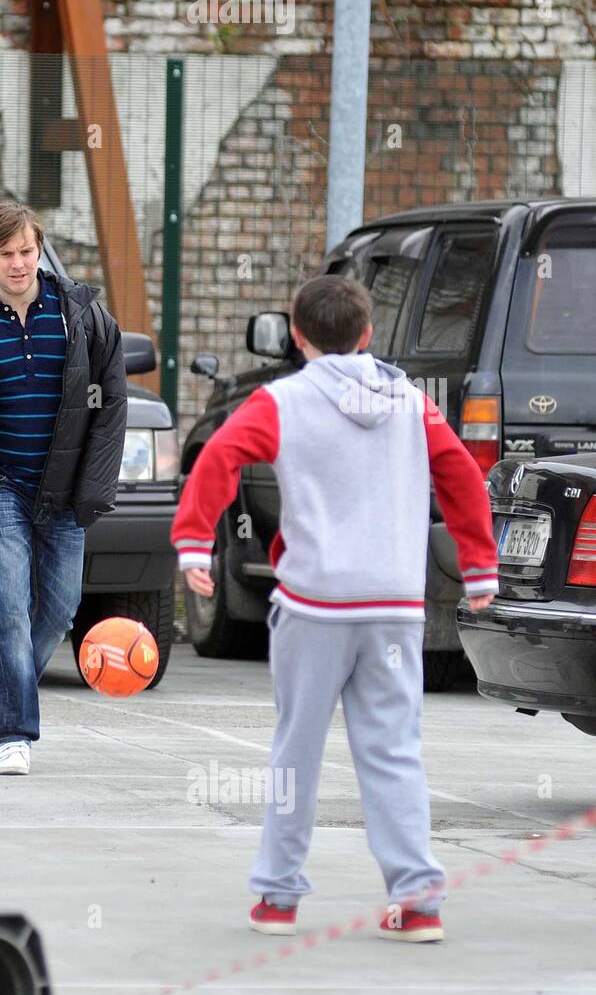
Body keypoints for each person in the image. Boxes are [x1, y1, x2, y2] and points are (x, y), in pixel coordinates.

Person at [172, 274, 498, 942]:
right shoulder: (412, 402)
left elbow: (220, 458)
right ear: (368, 334)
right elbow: (462, 474)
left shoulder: (281, 401)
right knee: (393, 751)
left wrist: (194, 544)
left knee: (297, 749)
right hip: (395, 605)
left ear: (296, 336)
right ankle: (417, 901)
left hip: (314, 602)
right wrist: (479, 566)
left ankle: (278, 899)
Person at [0, 201, 127, 776]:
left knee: (59, 612)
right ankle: (13, 732)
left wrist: (96, 485)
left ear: (40, 249)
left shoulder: (81, 317)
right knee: (7, 606)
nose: (18, 263)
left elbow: (112, 401)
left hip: (64, 488)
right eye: (6, 253)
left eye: (27, 251)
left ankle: (3, 685)